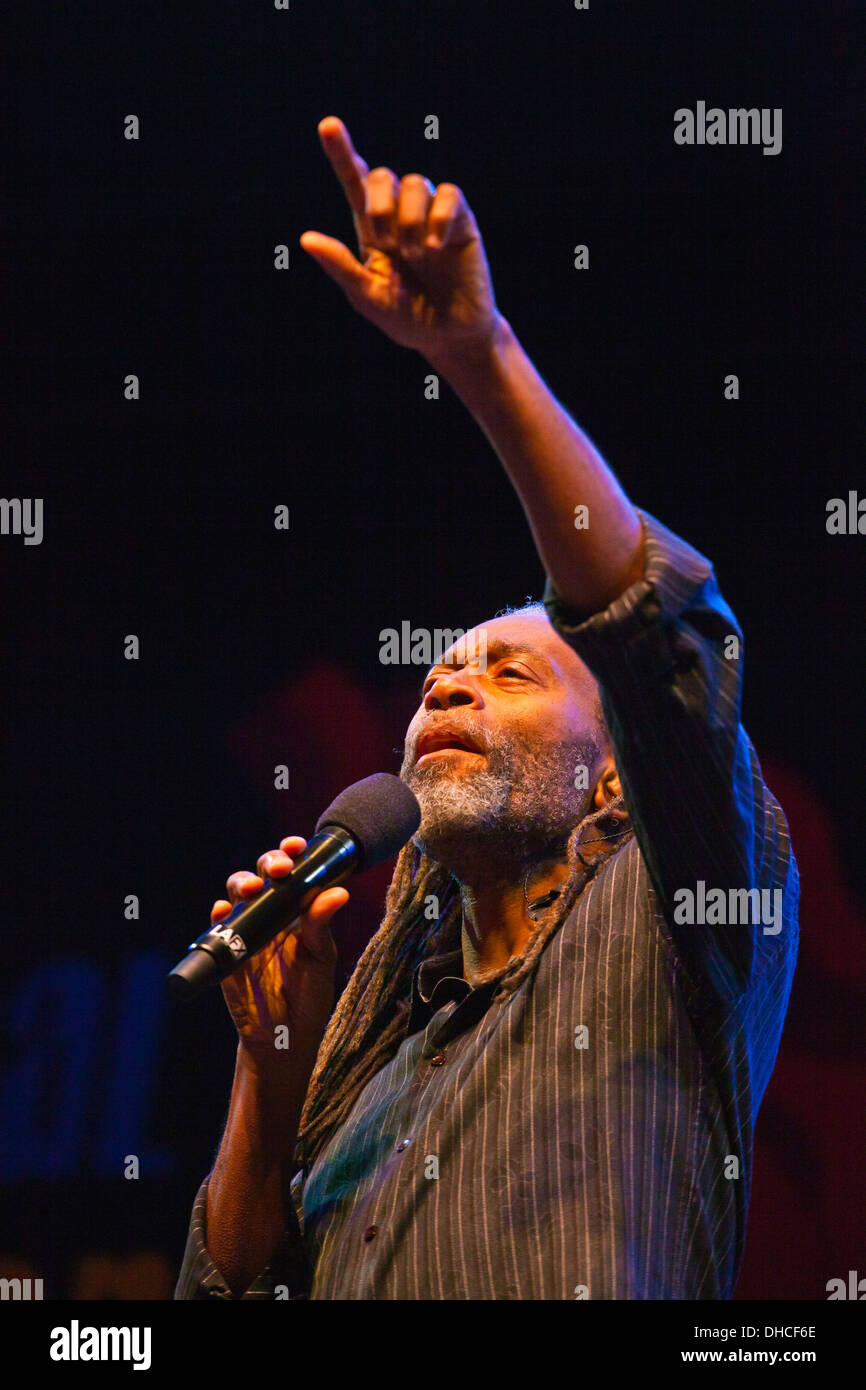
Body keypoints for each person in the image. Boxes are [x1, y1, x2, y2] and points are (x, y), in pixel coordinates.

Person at [174, 117, 799, 1300]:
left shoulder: (679, 927)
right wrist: (273, 1066)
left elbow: (654, 633)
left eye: (511, 672)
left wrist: (476, 351)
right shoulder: (375, 1057)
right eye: (435, 682)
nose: (449, 684)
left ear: (617, 774)